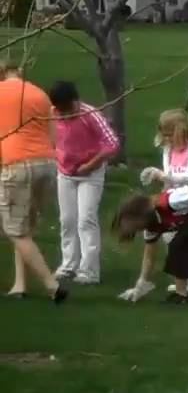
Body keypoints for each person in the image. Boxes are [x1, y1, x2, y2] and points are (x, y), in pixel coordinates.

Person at [0, 66, 66, 302]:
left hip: (18, 164)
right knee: (25, 229)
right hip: (46, 165)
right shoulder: (39, 94)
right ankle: (19, 285)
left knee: (13, 229)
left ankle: (52, 285)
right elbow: (52, 135)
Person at [135, 109, 188, 295]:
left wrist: (170, 176)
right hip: (174, 201)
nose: (168, 140)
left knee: (186, 241)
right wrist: (157, 175)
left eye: (171, 135)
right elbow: (168, 177)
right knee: (169, 239)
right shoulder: (168, 151)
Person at [49, 80, 119, 287]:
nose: (64, 113)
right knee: (67, 219)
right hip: (65, 172)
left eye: (67, 108)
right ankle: (68, 264)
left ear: (75, 101)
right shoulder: (52, 114)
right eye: (60, 109)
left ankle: (89, 270)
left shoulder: (89, 114)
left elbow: (112, 142)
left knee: (86, 219)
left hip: (90, 174)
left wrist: (90, 164)